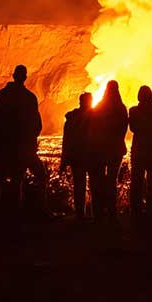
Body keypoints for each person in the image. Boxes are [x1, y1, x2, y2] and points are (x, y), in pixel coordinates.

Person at [0, 65, 42, 209]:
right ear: (25, 77)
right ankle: (30, 210)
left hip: (3, 147)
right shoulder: (30, 98)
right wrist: (30, 144)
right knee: (23, 179)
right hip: (23, 148)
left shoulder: (2, 95)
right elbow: (37, 125)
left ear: (13, 76)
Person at [89, 80, 129, 219]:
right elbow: (124, 128)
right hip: (115, 149)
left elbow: (93, 125)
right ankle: (112, 210)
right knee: (112, 179)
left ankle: (98, 211)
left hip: (101, 148)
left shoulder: (99, 107)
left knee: (99, 179)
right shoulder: (121, 108)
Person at [129, 84, 152, 217]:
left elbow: (133, 128)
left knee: (137, 180)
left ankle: (136, 210)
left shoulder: (133, 111)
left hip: (139, 149)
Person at [62, 91, 93, 219]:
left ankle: (80, 213)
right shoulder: (96, 117)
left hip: (76, 156)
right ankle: (95, 213)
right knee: (94, 185)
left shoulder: (71, 118)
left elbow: (66, 140)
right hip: (91, 155)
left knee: (79, 185)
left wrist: (64, 160)